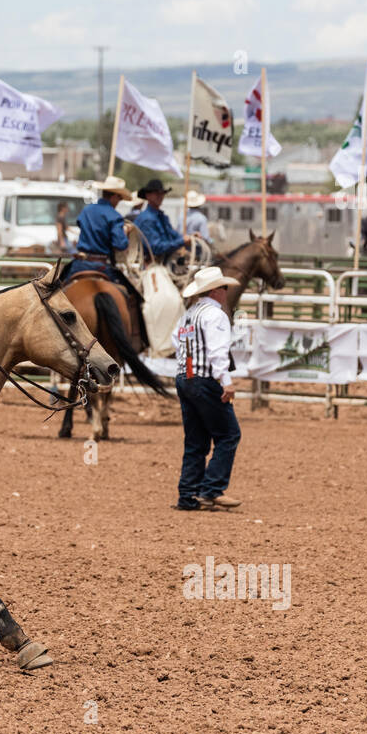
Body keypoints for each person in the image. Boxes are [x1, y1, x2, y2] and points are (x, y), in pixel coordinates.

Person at [171, 266, 242, 511]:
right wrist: (226, 381)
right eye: (224, 287)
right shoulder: (215, 315)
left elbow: (175, 340)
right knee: (229, 434)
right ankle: (211, 489)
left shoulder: (189, 314)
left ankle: (188, 494)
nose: (226, 292)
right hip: (205, 380)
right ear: (215, 291)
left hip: (185, 378)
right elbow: (217, 351)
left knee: (195, 440)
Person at [64, 176, 136, 282]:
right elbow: (120, 244)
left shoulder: (86, 211)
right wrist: (125, 233)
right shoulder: (115, 216)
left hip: (80, 264)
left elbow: (81, 225)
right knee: (129, 290)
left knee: (56, 287)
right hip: (102, 267)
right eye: (119, 198)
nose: (119, 202)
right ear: (114, 196)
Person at [133, 179, 186, 263]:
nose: (160, 196)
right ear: (148, 195)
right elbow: (156, 248)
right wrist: (182, 241)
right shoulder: (146, 219)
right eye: (156, 193)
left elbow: (173, 235)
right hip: (151, 264)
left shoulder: (162, 217)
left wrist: (188, 238)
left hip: (162, 262)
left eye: (162, 193)